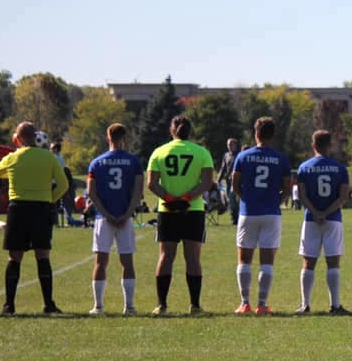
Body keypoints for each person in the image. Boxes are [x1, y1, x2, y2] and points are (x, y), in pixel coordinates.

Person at [0, 122, 69, 314]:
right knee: (42, 255)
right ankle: (48, 304)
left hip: (18, 209)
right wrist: (50, 200)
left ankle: (9, 305)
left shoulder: (13, 157)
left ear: (18, 138)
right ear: (36, 136)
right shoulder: (48, 157)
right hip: (41, 209)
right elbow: (63, 184)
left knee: (14, 257)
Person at [146, 115, 215, 316]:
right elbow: (207, 182)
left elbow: (152, 183)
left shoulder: (159, 152)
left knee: (166, 256)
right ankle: (194, 305)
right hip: (192, 210)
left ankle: (161, 305)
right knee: (192, 258)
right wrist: (186, 198)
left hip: (167, 210)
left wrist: (170, 199)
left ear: (171, 130)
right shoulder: (202, 152)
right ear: (189, 131)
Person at [232, 117, 293, 315]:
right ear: (272, 135)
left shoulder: (243, 157)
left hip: (248, 212)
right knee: (267, 261)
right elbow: (287, 187)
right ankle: (262, 304)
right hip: (271, 213)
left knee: (244, 260)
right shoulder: (281, 158)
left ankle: (245, 303)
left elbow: (234, 184)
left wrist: (244, 198)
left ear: (255, 134)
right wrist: (279, 201)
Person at [87, 123, 143, 315]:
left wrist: (106, 213)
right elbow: (138, 191)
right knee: (127, 262)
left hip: (104, 218)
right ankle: (129, 306)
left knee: (100, 262)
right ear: (124, 137)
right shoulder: (134, 162)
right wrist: (128, 213)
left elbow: (91, 192)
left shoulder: (97, 162)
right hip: (125, 217)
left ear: (107, 137)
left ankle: (98, 306)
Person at [295, 129, 349, 314]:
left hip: (311, 219)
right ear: (330, 145)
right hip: (333, 219)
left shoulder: (304, 167)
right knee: (333, 262)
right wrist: (326, 212)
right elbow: (343, 197)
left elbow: (302, 195)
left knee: (308, 262)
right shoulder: (340, 168)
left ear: (313, 145)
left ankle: (305, 304)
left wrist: (316, 212)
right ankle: (335, 305)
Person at [217, 138, 241, 225]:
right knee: (230, 201)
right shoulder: (226, 155)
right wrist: (218, 179)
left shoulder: (239, 155)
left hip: (237, 181)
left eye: (231, 144)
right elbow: (223, 168)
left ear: (235, 145)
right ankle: (234, 218)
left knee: (232, 197)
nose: (230, 146)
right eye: (228, 144)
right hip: (228, 181)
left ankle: (237, 217)